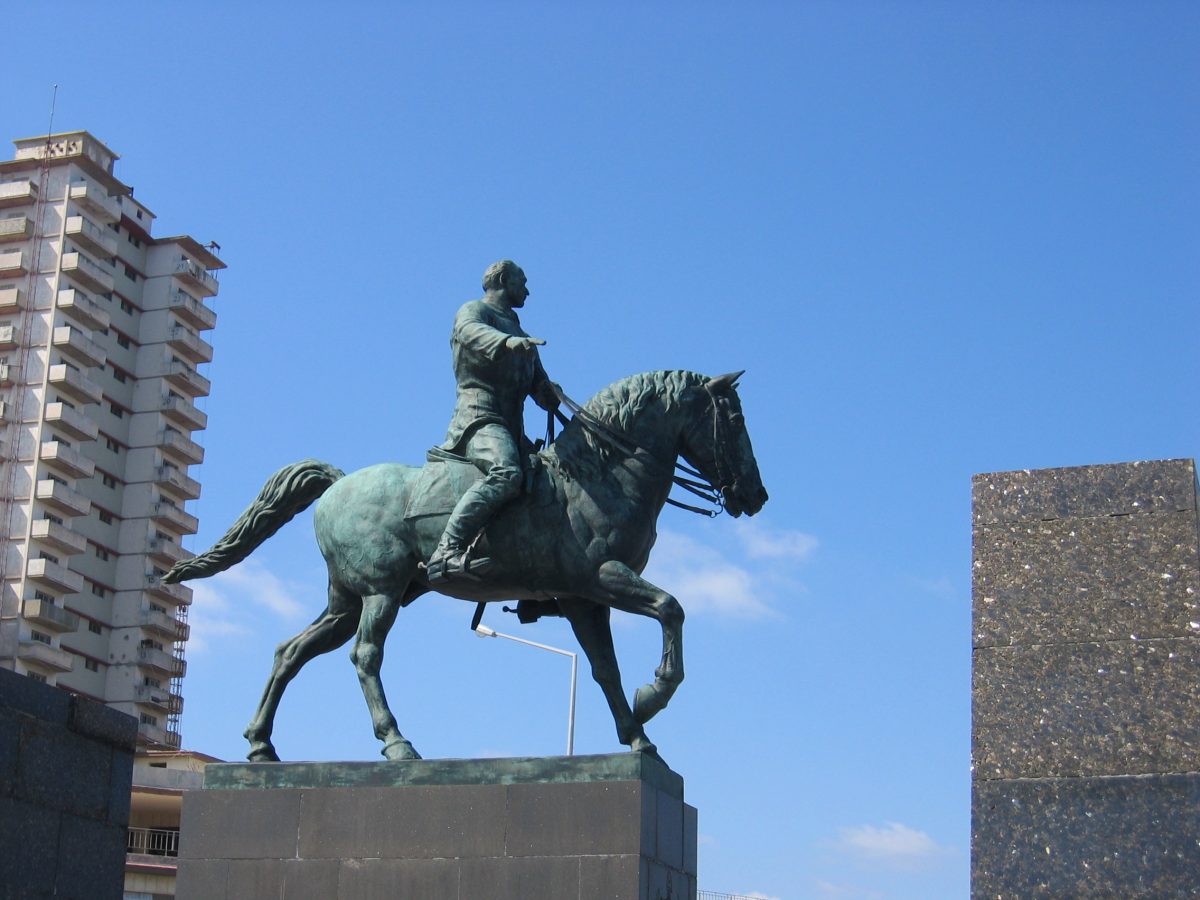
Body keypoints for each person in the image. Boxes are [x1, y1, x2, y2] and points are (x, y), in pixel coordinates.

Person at [425, 260, 559, 584]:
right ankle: (446, 550)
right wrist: (505, 342)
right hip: (479, 418)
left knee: (553, 483)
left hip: (514, 429)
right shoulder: (474, 312)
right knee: (507, 472)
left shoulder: (521, 333)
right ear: (502, 280)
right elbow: (470, 333)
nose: (527, 289)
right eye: (522, 281)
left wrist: (549, 392)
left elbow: (538, 384)